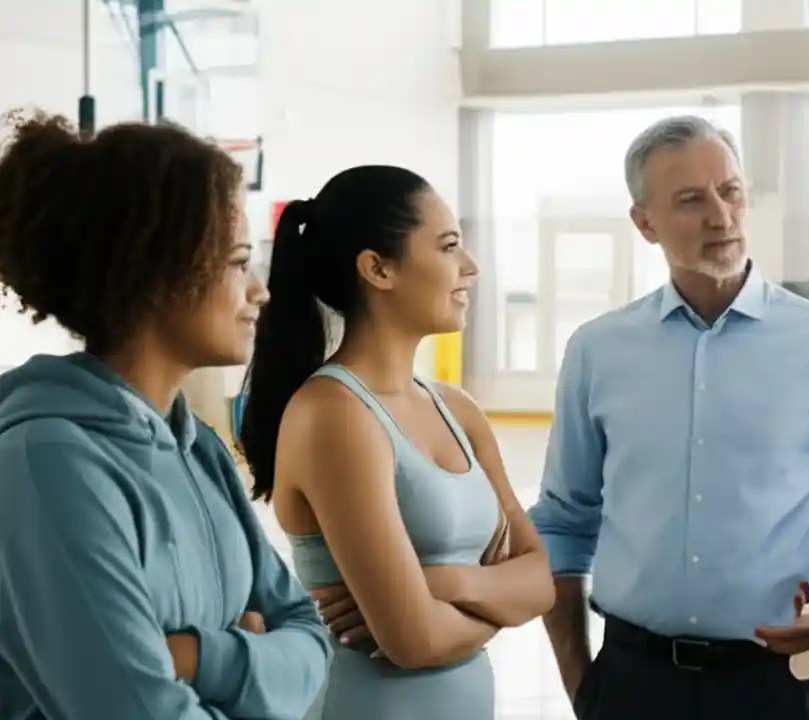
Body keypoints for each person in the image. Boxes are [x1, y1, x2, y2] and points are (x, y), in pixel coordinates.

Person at [529, 115, 809, 720]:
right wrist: (583, 685)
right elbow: (563, 522)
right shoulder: (597, 351)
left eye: (730, 191)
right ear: (645, 223)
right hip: (631, 683)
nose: (721, 215)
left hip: (778, 686)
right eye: (690, 200)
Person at [0, 113, 331, 719]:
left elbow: (310, 640)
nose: (259, 290)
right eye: (237, 262)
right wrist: (252, 653)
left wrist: (198, 659)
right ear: (154, 273)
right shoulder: (47, 463)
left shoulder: (197, 447)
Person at [237, 165, 555, 720]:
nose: (471, 266)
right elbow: (413, 641)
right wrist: (499, 603)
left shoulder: (456, 410)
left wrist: (444, 582)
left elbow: (541, 582)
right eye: (449, 246)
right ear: (377, 268)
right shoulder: (333, 415)